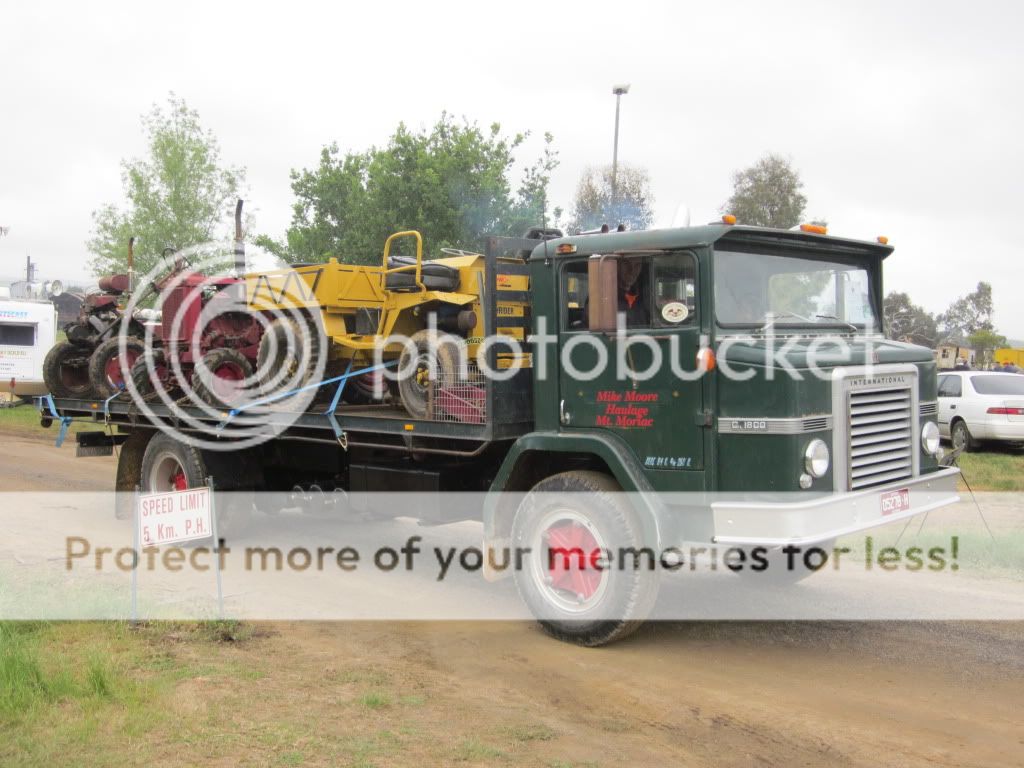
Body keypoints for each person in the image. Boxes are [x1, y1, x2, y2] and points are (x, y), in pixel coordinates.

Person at [617, 258, 648, 326]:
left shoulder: (643, 295)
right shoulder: (606, 295)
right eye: (626, 264)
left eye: (637, 265)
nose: (632, 270)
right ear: (617, 265)